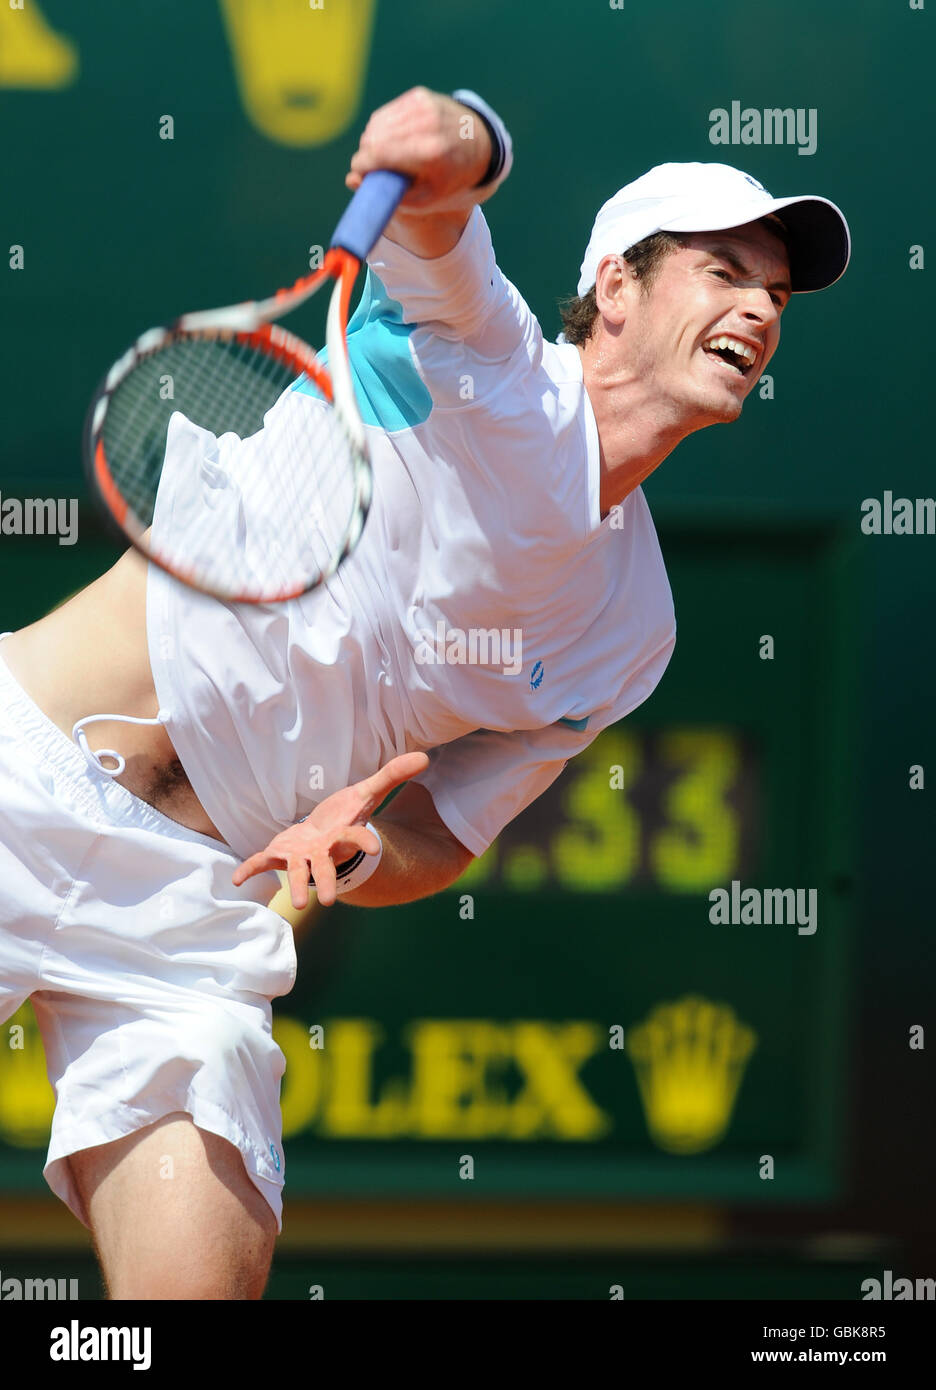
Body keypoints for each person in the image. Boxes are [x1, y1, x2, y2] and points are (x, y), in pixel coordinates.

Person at [0, 86, 850, 1299]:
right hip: (18, 782)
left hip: (191, 922)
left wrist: (353, 851)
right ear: (616, 286)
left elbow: (445, 829)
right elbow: (447, 200)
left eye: (775, 291)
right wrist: (467, 137)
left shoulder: (634, 628)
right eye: (725, 270)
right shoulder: (488, 363)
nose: (760, 306)